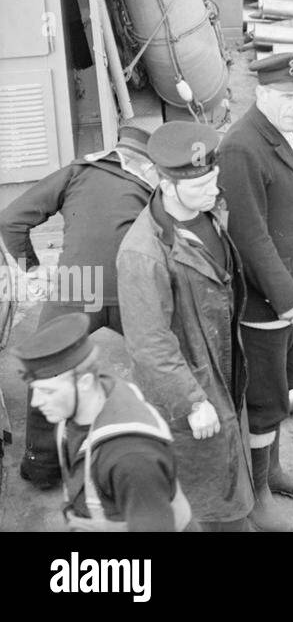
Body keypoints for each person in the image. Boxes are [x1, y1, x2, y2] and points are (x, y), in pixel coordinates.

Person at [0, 124, 157, 489]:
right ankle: (162, 450)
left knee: (47, 366)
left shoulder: (78, 171)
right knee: (162, 358)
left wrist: (32, 269)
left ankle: (41, 464)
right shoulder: (158, 181)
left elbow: (10, 220)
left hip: (78, 281)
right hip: (130, 283)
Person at [116, 122, 254, 531]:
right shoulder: (143, 253)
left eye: (214, 180)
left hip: (224, 371)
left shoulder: (206, 212)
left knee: (228, 485)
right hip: (193, 391)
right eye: (201, 186)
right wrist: (192, 401)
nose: (213, 191)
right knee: (208, 506)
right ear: (167, 184)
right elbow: (149, 344)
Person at [216, 53, 293, 529]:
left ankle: (272, 469)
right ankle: (258, 496)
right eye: (288, 97)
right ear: (261, 94)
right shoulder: (241, 147)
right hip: (265, 301)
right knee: (262, 399)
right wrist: (285, 295)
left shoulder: (289, 130)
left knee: (285, 382)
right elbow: (249, 232)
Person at [15, 312, 192, 531]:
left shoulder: (131, 458)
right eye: (35, 391)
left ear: (86, 382)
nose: (38, 402)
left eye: (48, 391)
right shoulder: (90, 400)